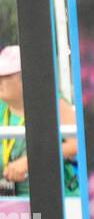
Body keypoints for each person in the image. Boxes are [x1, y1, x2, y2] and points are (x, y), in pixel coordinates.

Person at [0, 44, 79, 197]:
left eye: (4, 76)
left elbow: (78, 143)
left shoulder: (53, 103)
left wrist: (31, 160)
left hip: (55, 201)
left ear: (25, 79)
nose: (0, 81)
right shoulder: (3, 108)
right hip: (11, 206)